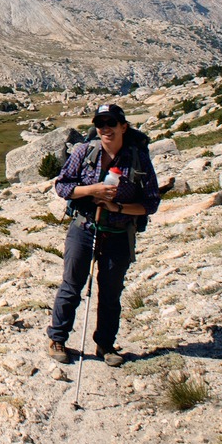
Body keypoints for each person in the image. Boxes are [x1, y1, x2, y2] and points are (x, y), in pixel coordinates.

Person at [46, 102, 160, 367]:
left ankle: (105, 345)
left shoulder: (138, 158)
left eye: (111, 123)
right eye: (100, 124)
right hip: (84, 228)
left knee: (110, 292)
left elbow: (151, 202)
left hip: (119, 232)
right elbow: (63, 186)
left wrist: (117, 206)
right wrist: (93, 191)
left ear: (123, 126)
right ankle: (58, 338)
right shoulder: (84, 151)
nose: (105, 129)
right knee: (72, 285)